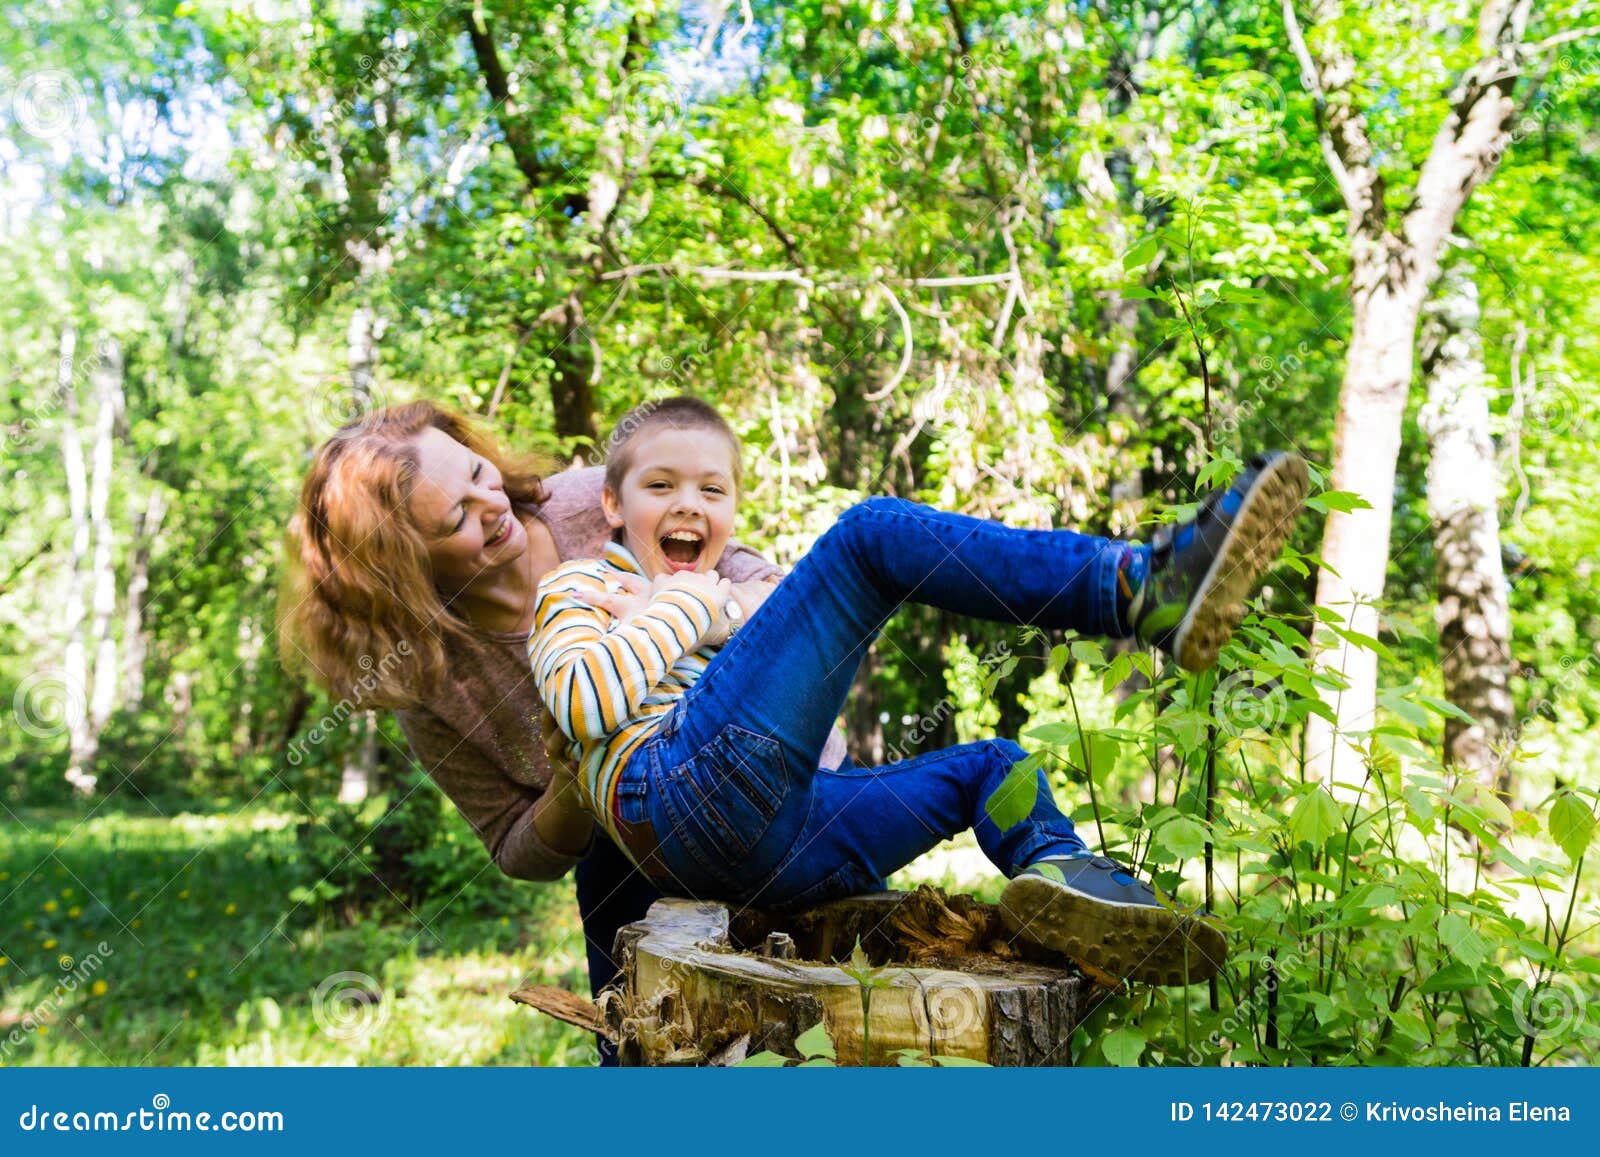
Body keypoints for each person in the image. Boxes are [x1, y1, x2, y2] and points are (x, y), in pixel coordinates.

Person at [529, 396, 1308, 986]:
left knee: (995, 766)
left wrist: (703, 608)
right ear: (611, 504)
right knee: (870, 535)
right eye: (660, 484)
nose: (689, 504)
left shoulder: (721, 595)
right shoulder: (579, 586)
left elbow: (759, 615)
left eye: (712, 489)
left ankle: (1069, 880)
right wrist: (689, 605)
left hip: (778, 846)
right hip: (665, 793)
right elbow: (580, 702)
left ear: (733, 508)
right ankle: (1138, 587)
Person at [277, 401, 815, 1065]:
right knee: (660, 1052)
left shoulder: (596, 502)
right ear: (405, 566)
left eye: (479, 474)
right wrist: (570, 784)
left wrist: (691, 615)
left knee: (818, 1037)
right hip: (635, 852)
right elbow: (513, 846)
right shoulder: (429, 677)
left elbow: (785, 596)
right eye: (457, 517)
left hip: (779, 784)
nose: (493, 506)